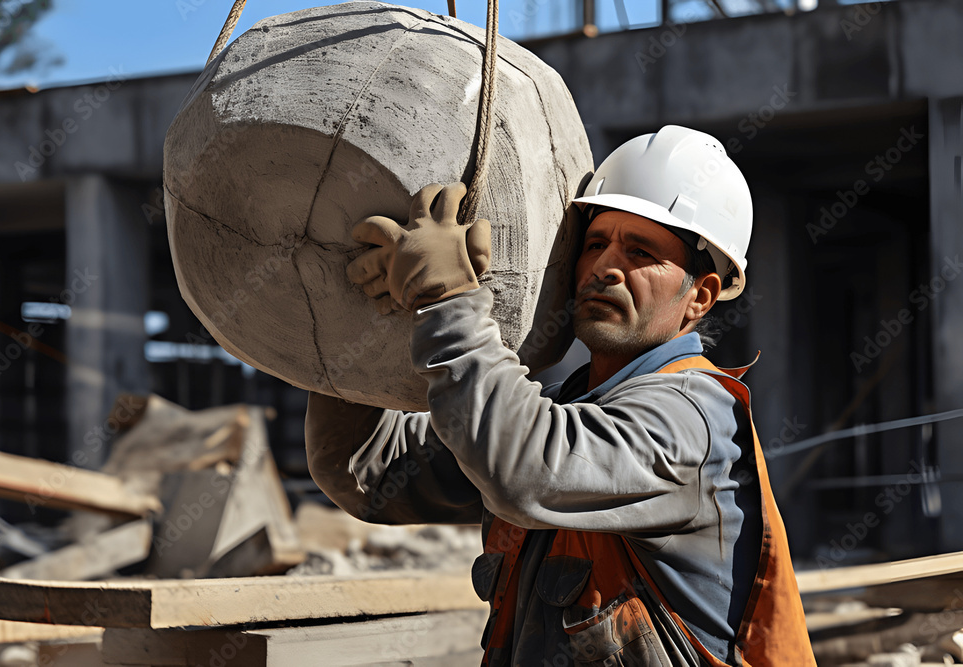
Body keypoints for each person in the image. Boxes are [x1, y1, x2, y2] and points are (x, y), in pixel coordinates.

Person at [305, 125, 816, 666]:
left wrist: (446, 298)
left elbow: (526, 470)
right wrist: (357, 316)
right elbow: (370, 470)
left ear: (701, 296)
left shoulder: (692, 419)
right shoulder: (564, 413)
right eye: (595, 243)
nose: (605, 267)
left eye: (641, 251)